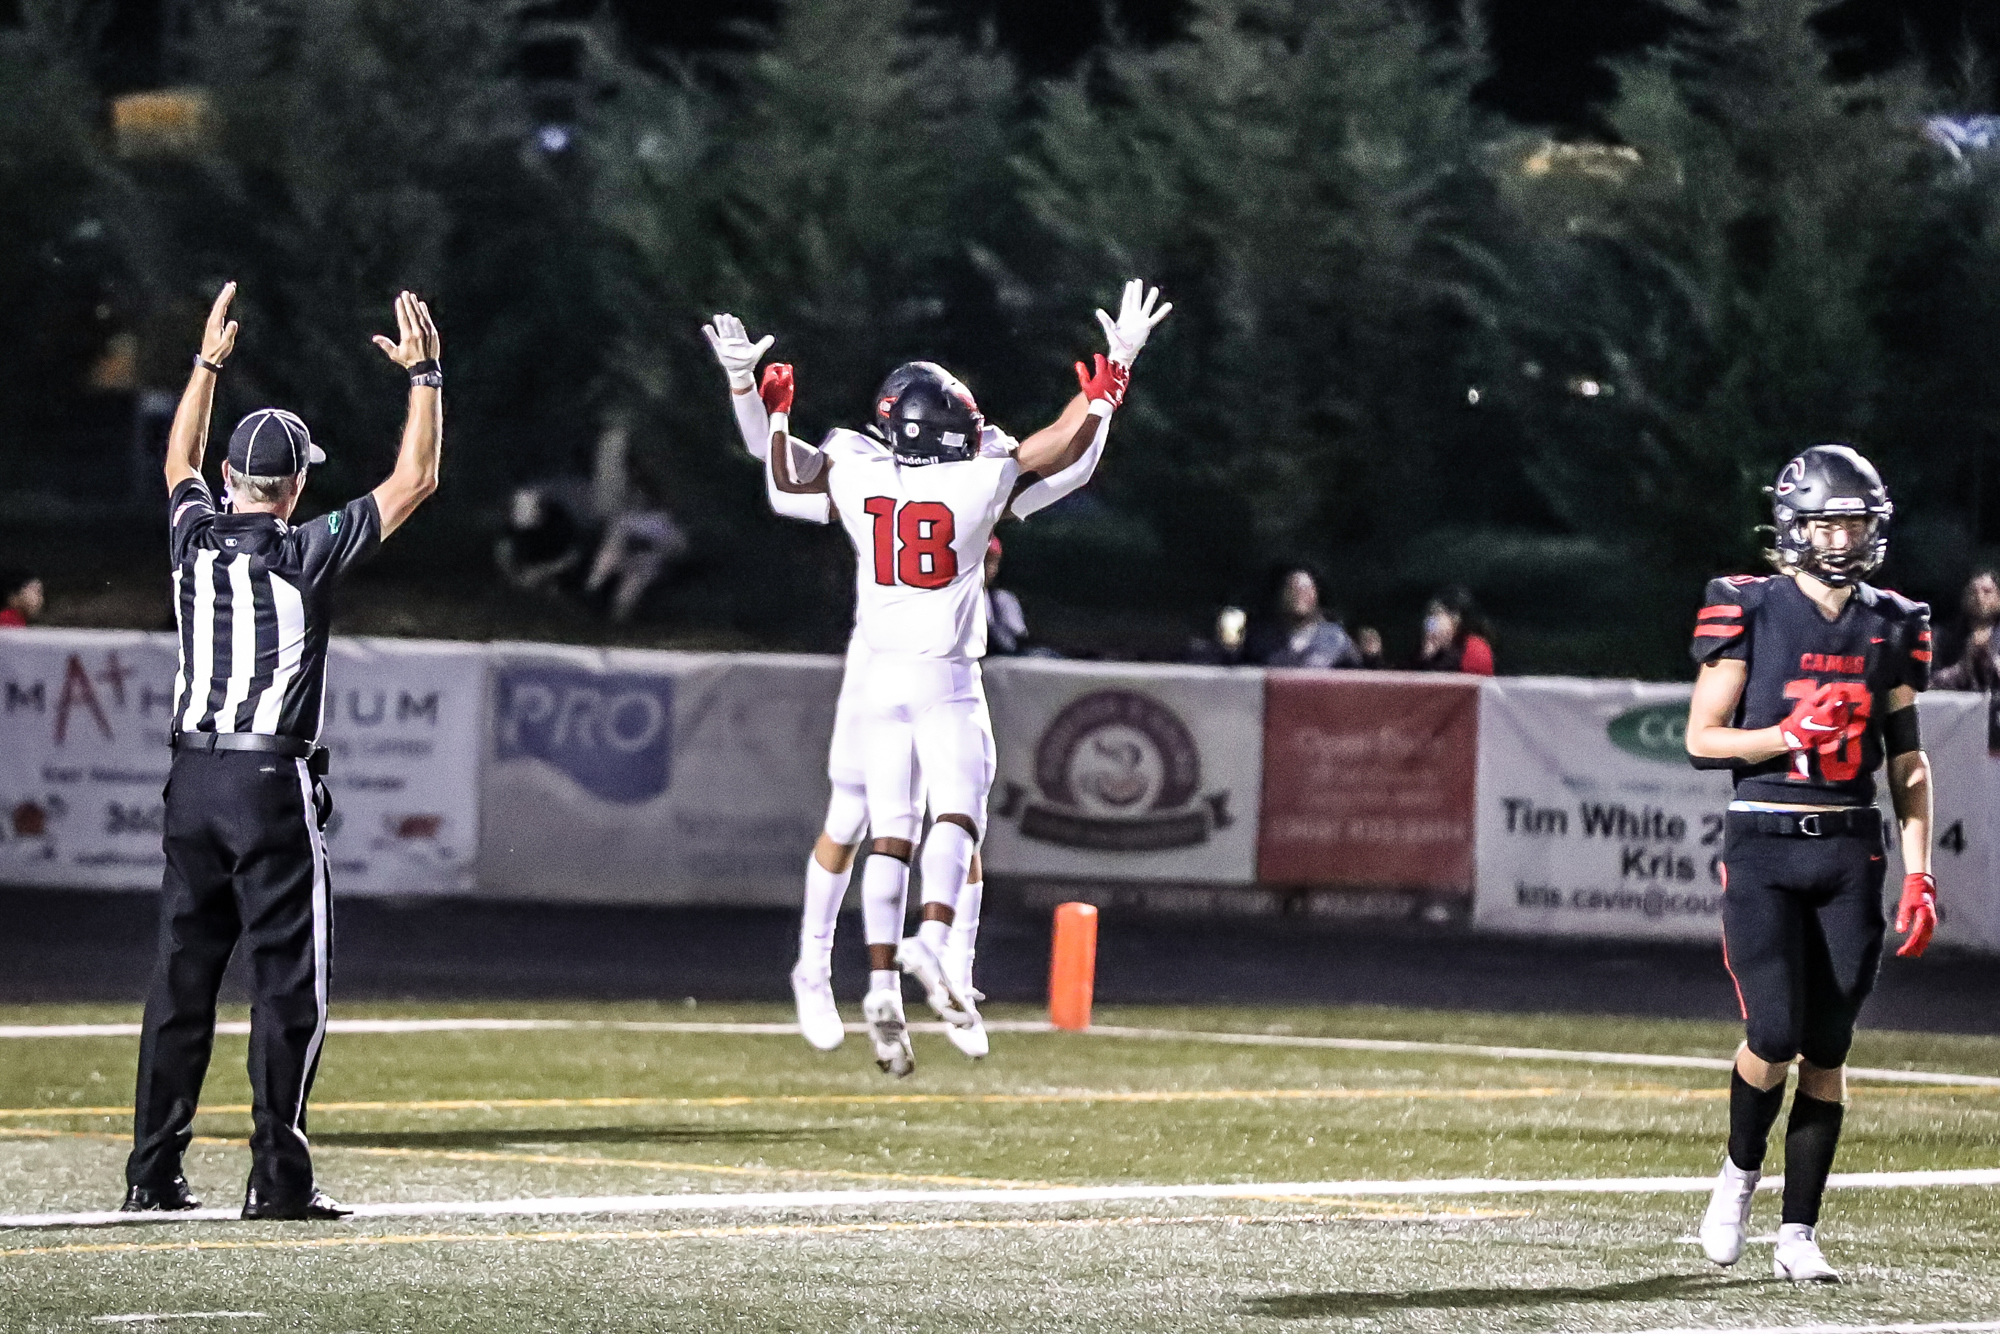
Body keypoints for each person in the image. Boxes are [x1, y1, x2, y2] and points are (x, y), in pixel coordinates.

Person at [734, 279, 1169, 1077]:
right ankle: (920, 951)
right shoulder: (977, 480)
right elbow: (1054, 453)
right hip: (942, 676)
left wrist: (755, 401)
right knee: (954, 820)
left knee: (893, 831)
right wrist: (1114, 380)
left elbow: (785, 477)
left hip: (881, 672)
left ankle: (915, 976)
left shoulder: (861, 471)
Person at [122, 283, 443, 1220]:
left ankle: (153, 1174)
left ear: (232, 477)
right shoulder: (301, 552)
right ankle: (279, 1176)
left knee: (181, 982)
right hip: (268, 782)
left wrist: (206, 364)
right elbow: (415, 480)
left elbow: (177, 455)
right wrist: (424, 374)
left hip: (191, 778)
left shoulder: (192, 541)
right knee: (286, 987)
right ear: (295, 484)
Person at [1684, 443, 1938, 1283]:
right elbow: (1702, 738)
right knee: (1776, 1031)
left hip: (1849, 848)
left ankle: (1799, 1232)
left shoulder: (1893, 620)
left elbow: (1907, 761)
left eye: (1856, 519)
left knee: (1828, 1047)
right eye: (1828, 519)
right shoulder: (1748, 605)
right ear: (1794, 525)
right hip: (1763, 839)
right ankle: (1739, 1174)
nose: (1843, 535)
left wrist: (1921, 870)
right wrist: (1787, 736)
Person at [585, 498, 689, 623]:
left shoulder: (668, 524)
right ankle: (589, 592)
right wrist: (629, 542)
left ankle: (617, 620)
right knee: (608, 555)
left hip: (645, 563)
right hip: (621, 554)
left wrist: (651, 546)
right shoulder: (627, 516)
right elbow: (612, 536)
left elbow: (680, 549)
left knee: (627, 595)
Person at [1243, 567, 1366, 668]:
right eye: (1293, 590)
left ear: (1316, 596)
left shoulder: (1337, 641)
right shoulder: (1260, 641)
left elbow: (1362, 685)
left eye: (1305, 590)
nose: (1299, 596)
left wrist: (1372, 658)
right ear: (1282, 596)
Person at [1934, 568, 1999, 692]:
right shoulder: (1943, 638)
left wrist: (1988, 658)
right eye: (1973, 592)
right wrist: (1964, 667)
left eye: (1987, 592)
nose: (1979, 597)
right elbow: (1928, 679)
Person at [1415, 586, 1494, 674]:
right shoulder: (1426, 652)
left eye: (1436, 614)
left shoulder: (1475, 649)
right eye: (1429, 616)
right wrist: (1427, 659)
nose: (1429, 623)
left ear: (1455, 618)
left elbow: (1469, 686)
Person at [983, 537, 1032, 655]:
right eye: (985, 561)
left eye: (993, 562)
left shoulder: (1001, 600)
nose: (989, 568)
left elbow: (1019, 637)